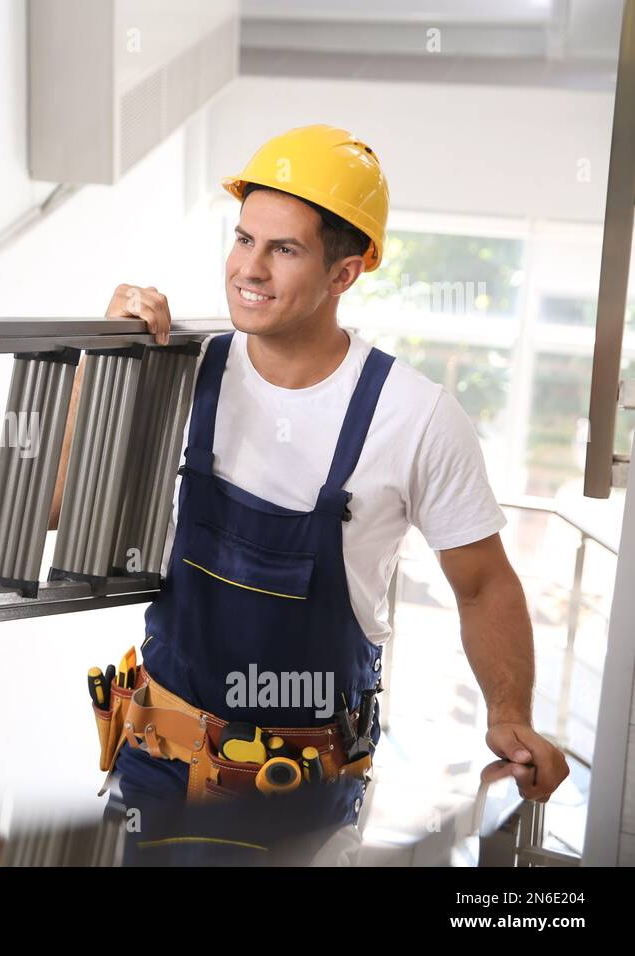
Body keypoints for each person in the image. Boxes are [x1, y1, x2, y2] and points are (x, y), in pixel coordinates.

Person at [51, 124, 569, 865]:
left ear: (344, 273)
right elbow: (61, 512)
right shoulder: (187, 368)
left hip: (298, 797)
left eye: (282, 249)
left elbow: (484, 584)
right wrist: (102, 362)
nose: (248, 268)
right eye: (243, 239)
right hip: (154, 773)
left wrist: (509, 713)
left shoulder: (414, 416)